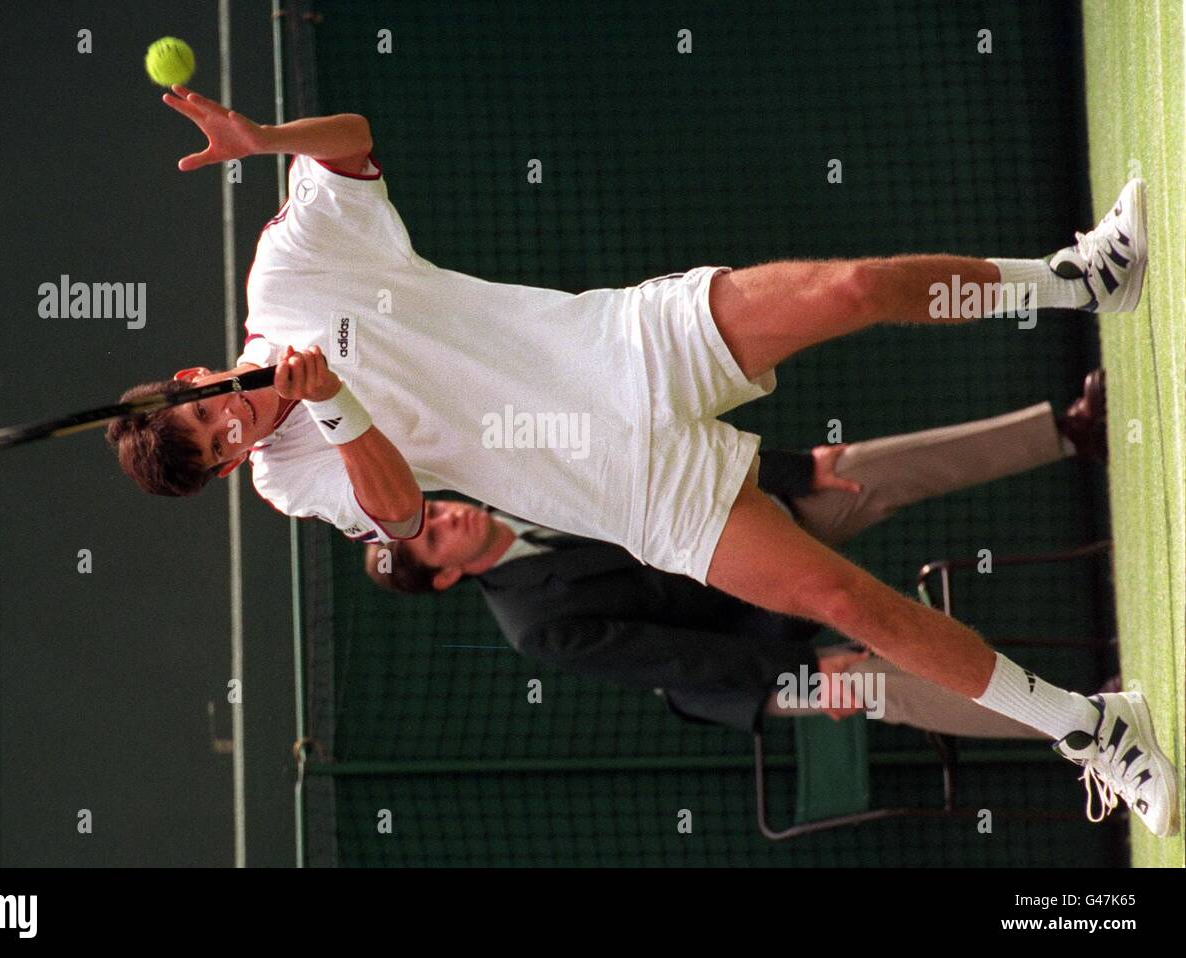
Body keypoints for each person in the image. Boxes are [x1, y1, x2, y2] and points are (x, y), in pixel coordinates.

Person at [107, 86, 1176, 836]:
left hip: (623, 346)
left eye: (209, 418)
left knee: (852, 289)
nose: (231, 433)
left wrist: (264, 139)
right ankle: (1091, 729)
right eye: (215, 454)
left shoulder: (288, 272)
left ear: (198, 374)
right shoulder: (289, 475)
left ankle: (1083, 275)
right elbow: (395, 510)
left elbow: (351, 143)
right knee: (858, 608)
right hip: (626, 490)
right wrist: (329, 401)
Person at [362, 380, 1110, 743]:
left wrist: (792, 473)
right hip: (736, 664)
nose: (444, 518)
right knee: (872, 689)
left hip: (734, 539)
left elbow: (659, 456)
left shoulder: (524, 477)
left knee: (848, 469)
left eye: (426, 512)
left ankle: (1071, 432)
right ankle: (1081, 723)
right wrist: (810, 672)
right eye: (432, 540)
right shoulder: (534, 627)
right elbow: (678, 659)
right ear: (449, 575)